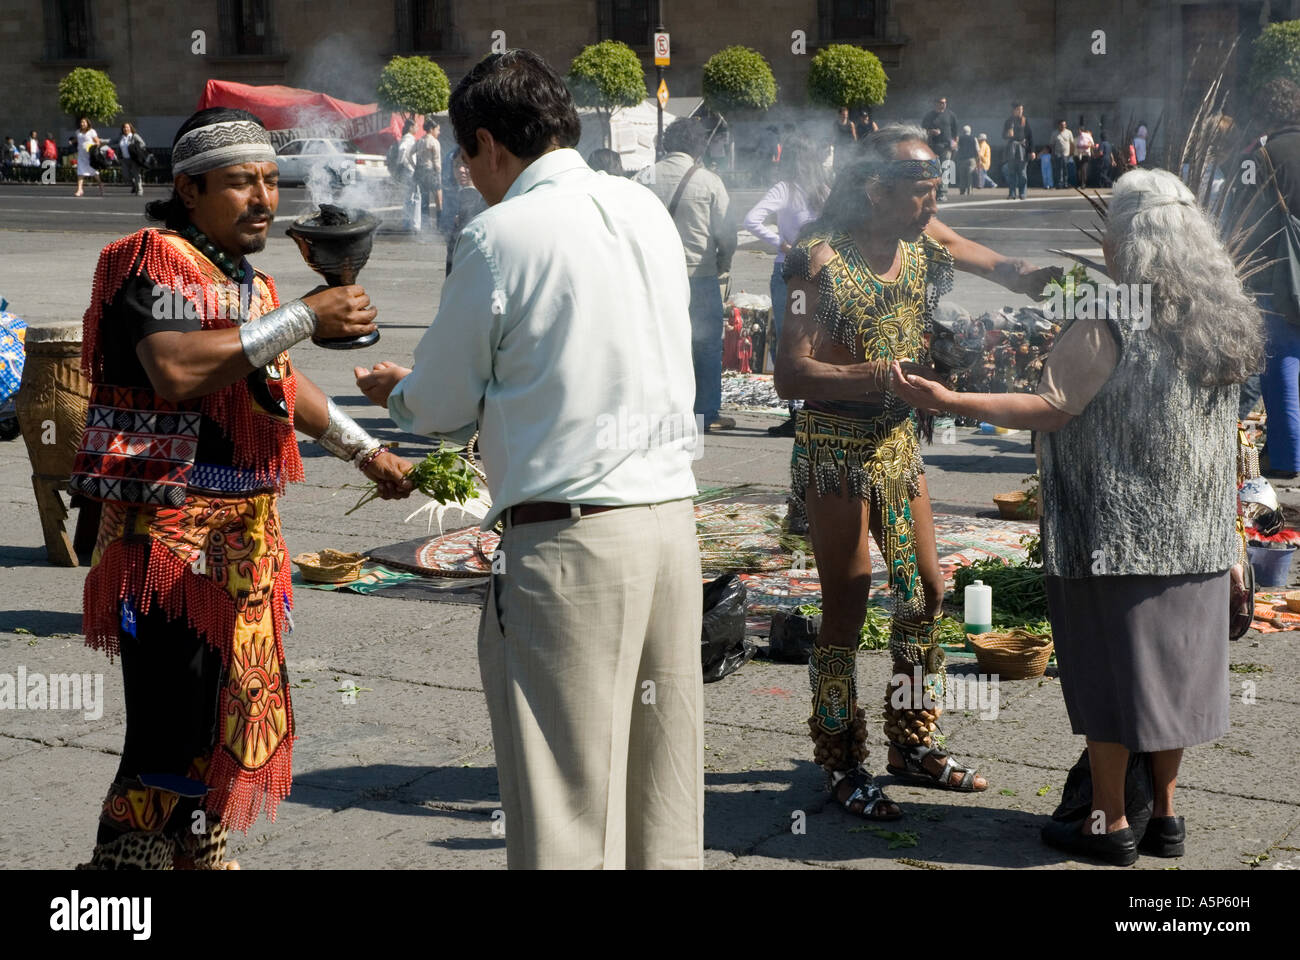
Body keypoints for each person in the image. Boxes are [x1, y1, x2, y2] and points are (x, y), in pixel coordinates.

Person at [353, 49, 704, 870]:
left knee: (565, 805)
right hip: (669, 527)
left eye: (466, 160)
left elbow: (440, 405)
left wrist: (397, 395)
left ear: (489, 145)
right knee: (663, 792)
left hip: (573, 545)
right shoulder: (643, 207)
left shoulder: (500, 232)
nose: (469, 178)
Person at [71, 107, 413, 869]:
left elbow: (278, 378)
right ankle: (117, 884)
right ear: (189, 190)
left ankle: (199, 859)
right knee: (169, 736)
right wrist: (301, 316)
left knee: (224, 728)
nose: (262, 197)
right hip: (169, 543)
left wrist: (365, 451)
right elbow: (178, 367)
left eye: (268, 181)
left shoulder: (244, 281)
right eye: (239, 183)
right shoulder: (149, 260)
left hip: (245, 546)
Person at [890, 169, 1262, 864]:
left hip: (1114, 538)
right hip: (1200, 539)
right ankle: (1168, 821)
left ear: (1130, 239)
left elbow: (1051, 406)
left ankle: (1110, 822)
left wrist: (951, 403)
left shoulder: (1110, 317)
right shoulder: (1226, 315)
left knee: (1112, 689)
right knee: (1171, 687)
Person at [774, 125, 1060, 820]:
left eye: (935, 189)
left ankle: (910, 739)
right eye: (919, 191)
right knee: (846, 605)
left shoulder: (923, 239)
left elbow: (997, 265)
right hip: (835, 447)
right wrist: (877, 373)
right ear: (875, 190)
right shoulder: (814, 262)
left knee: (924, 593)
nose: (932, 204)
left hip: (897, 442)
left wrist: (1040, 279)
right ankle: (841, 756)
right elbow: (787, 371)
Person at [1227, 79, 1300, 477]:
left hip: (1281, 276)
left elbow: (1244, 219)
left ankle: (1288, 458)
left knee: (1281, 363)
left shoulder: (1264, 157)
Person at [650, 116, 738, 432]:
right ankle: (705, 414)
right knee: (706, 346)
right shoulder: (709, 181)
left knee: (659, 345)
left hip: (655, 277)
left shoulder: (643, 177)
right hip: (699, 275)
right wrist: (723, 262)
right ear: (697, 146)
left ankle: (663, 413)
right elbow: (727, 233)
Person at [742, 134, 831, 437]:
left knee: (789, 340)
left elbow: (751, 219)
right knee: (815, 339)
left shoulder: (785, 189)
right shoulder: (824, 191)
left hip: (789, 274)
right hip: (820, 273)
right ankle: (818, 409)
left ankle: (797, 413)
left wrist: (780, 244)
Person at [442, 147, 487, 276]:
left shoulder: (473, 197)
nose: (461, 170)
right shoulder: (462, 196)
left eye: (466, 165)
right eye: (456, 165)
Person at [921, 97, 958, 201]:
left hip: (946, 147)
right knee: (933, 169)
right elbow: (922, 130)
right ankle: (933, 191)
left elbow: (955, 131)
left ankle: (942, 193)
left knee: (945, 168)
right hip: (932, 146)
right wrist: (931, 132)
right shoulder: (929, 116)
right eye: (941, 102)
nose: (943, 104)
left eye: (945, 102)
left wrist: (955, 143)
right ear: (935, 103)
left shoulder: (951, 115)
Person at [415, 118, 443, 231]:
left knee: (424, 199)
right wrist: (439, 173)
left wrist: (414, 165)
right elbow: (436, 160)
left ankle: (425, 226)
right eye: (438, 130)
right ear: (431, 129)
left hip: (421, 172)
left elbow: (409, 154)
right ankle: (439, 225)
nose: (439, 132)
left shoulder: (420, 141)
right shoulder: (434, 142)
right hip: (432, 171)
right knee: (438, 200)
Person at [1003, 102, 1035, 200]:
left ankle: (1022, 193)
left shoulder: (1025, 121)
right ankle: (1012, 193)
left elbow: (1030, 137)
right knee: (1011, 172)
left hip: (1022, 148)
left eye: (1022, 109)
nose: (1021, 111)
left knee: (1022, 173)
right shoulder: (1008, 121)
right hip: (1012, 148)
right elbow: (1003, 136)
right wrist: (1007, 134)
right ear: (1014, 110)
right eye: (1019, 109)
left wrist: (1032, 151)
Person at [74, 117, 103, 198]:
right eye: (81, 122)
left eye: (84, 122)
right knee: (80, 172)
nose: (82, 124)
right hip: (81, 155)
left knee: (94, 173)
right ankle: (79, 190)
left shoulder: (91, 131)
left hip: (90, 156)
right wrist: (71, 141)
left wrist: (94, 147)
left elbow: (97, 141)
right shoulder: (78, 132)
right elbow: (77, 139)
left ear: (87, 123)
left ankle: (100, 185)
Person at [118, 122, 146, 195]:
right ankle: (134, 184)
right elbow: (112, 140)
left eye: (127, 127)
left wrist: (135, 148)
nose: (126, 129)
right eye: (124, 127)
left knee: (136, 174)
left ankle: (140, 190)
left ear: (130, 128)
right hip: (125, 159)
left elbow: (142, 144)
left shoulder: (134, 136)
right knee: (125, 176)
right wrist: (100, 140)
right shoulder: (121, 137)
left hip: (134, 159)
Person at [833, 107, 858, 173]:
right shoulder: (836, 124)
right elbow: (834, 135)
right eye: (843, 114)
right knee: (838, 164)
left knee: (849, 163)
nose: (845, 116)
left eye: (846, 114)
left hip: (848, 147)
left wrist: (855, 146)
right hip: (839, 146)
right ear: (840, 115)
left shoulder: (851, 124)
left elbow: (854, 136)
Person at [956, 124, 979, 195]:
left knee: (962, 176)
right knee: (970, 175)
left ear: (963, 131)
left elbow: (957, 149)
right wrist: (978, 160)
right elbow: (977, 149)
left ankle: (962, 190)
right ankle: (969, 190)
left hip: (962, 159)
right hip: (971, 159)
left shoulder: (960, 138)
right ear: (970, 131)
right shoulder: (974, 138)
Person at [1052, 120, 1075, 189]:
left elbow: (1072, 143)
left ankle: (1066, 183)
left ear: (1065, 125)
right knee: (1059, 169)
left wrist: (1071, 153)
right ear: (1059, 125)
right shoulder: (1055, 133)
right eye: (1061, 125)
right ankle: (1059, 183)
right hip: (1058, 154)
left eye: (1064, 125)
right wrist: (1052, 154)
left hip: (1066, 154)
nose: (1062, 126)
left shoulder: (1069, 132)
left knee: (1065, 169)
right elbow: (1052, 144)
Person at [1075, 123, 1095, 189]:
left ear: (1080, 130)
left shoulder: (1085, 136)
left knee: (1083, 169)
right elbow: (1077, 145)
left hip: (1084, 154)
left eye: (1079, 130)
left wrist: (1086, 146)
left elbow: (1092, 144)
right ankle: (1081, 183)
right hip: (1081, 154)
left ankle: (1083, 183)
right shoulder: (1080, 137)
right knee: (1081, 169)